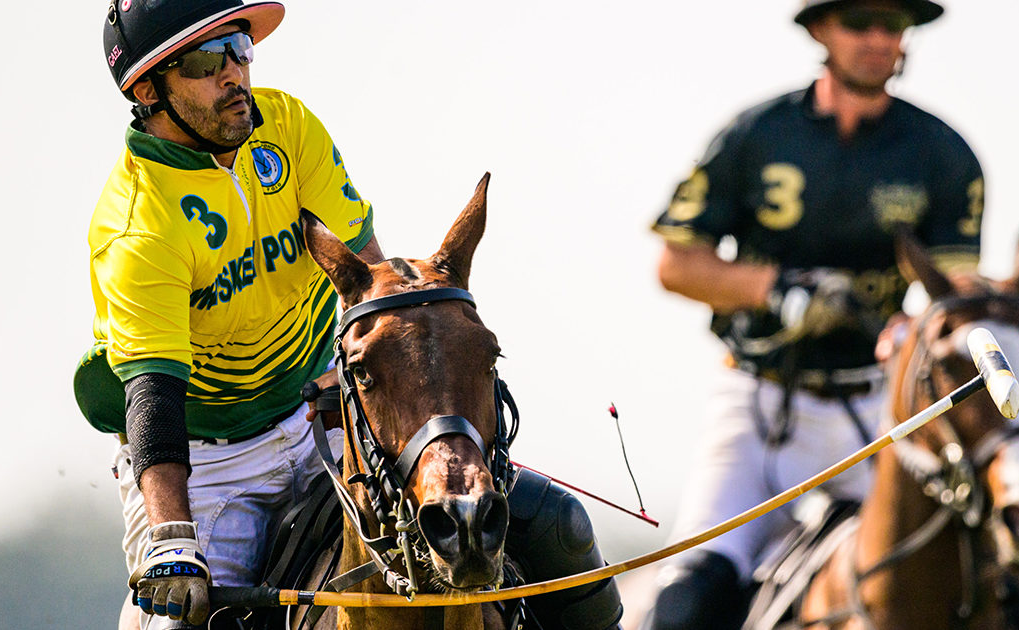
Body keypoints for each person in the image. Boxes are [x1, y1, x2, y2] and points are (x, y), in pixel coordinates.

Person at [75, 2, 622, 628]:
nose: (235, 74)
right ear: (147, 89)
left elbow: (376, 293)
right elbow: (155, 400)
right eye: (206, 60)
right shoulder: (135, 226)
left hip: (323, 415)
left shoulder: (285, 125)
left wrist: (384, 384)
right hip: (205, 462)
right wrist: (172, 538)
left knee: (557, 526)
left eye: (241, 49)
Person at [645, 1, 987, 628]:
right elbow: (676, 264)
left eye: (894, 25)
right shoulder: (757, 134)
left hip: (876, 406)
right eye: (861, 22)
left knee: (993, 581)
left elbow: (954, 294)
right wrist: (777, 290)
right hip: (756, 404)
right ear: (820, 30)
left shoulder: (943, 153)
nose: (879, 39)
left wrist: (913, 330)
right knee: (687, 599)